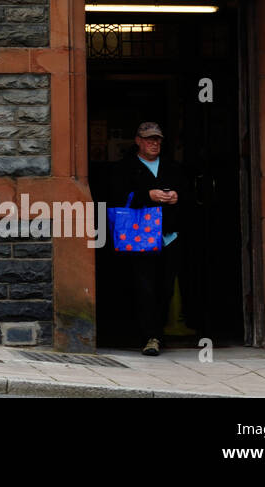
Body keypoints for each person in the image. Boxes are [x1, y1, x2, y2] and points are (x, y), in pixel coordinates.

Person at [107, 121, 189, 356]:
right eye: (149, 139)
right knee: (145, 288)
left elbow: (188, 193)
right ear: (138, 141)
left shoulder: (172, 167)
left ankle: (157, 331)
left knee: (165, 287)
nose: (154, 143)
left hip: (169, 236)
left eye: (158, 139)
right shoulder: (124, 167)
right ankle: (151, 337)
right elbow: (115, 196)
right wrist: (146, 195)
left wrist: (177, 196)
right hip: (139, 238)